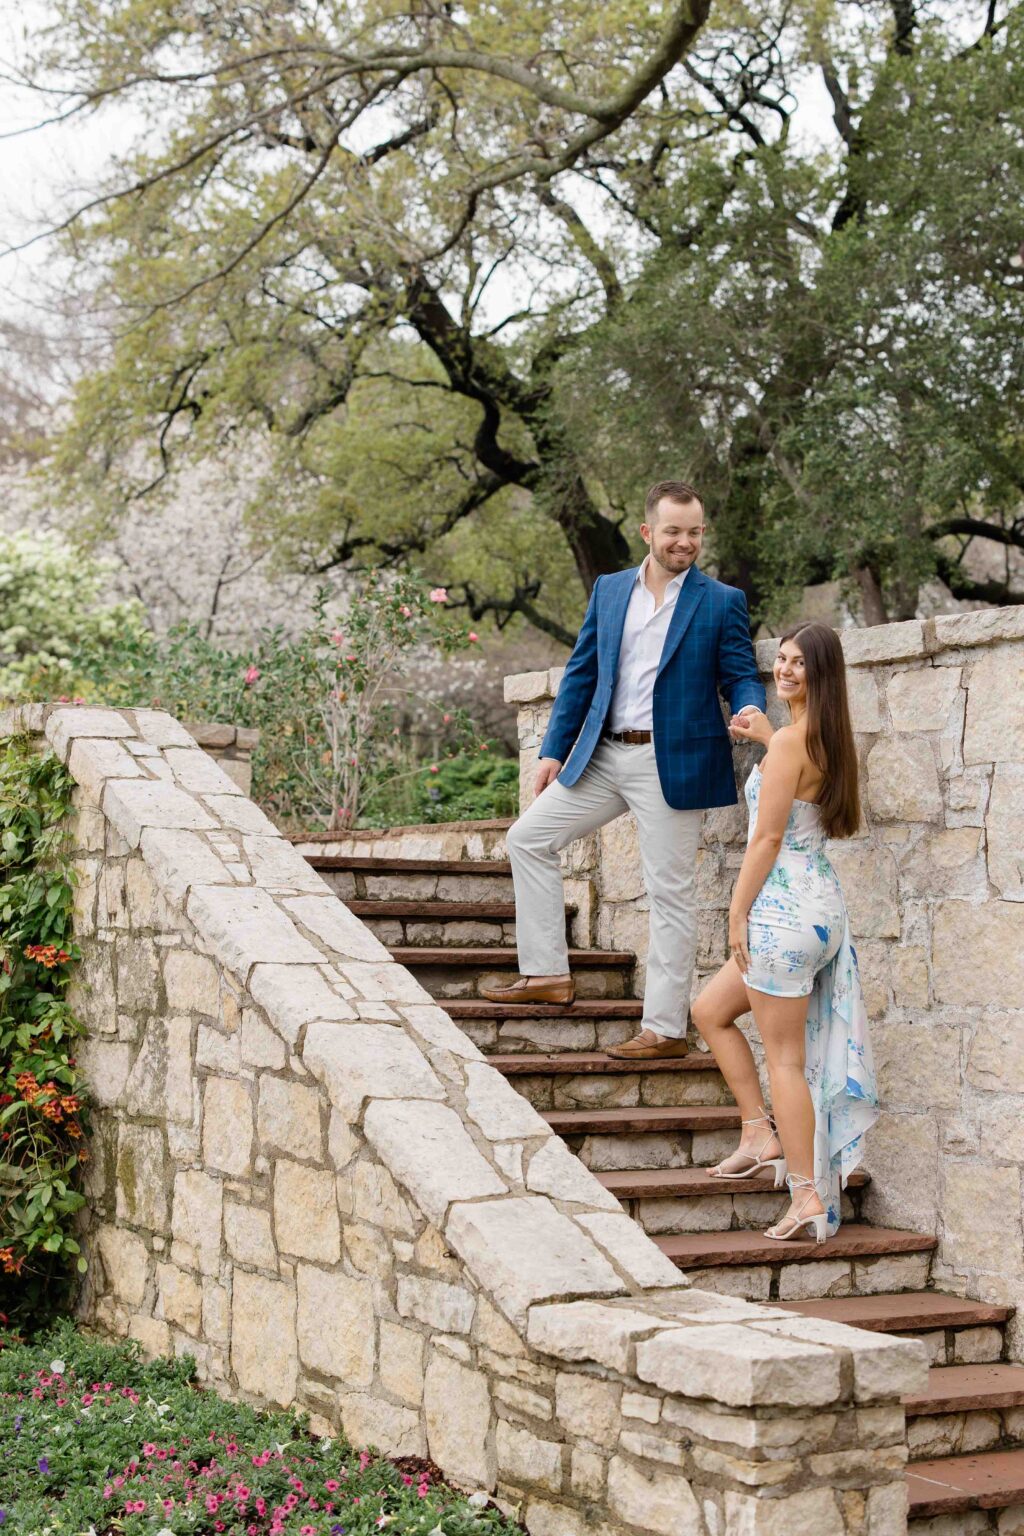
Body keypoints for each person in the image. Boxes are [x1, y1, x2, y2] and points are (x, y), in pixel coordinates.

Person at [481, 480, 766, 1058]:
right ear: (647, 532)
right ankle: (547, 974)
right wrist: (553, 751)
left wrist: (749, 708)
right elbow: (582, 673)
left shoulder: (721, 601)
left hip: (671, 761)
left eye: (694, 532)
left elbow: (739, 671)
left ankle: (664, 1030)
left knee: (669, 895)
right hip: (603, 754)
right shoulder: (610, 590)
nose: (685, 542)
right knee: (527, 838)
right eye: (673, 531)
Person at [691, 621, 878, 1241]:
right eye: (782, 658)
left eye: (800, 663)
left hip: (780, 912)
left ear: (821, 673)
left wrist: (736, 912)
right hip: (820, 907)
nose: (785, 669)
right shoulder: (824, 739)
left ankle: (805, 1196)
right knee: (710, 1011)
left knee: (787, 1062)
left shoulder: (793, 742)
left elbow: (768, 838)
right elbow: (795, 783)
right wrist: (770, 738)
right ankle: (757, 1131)